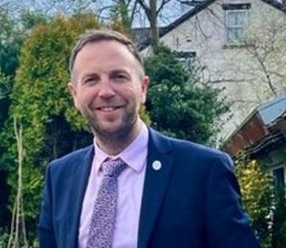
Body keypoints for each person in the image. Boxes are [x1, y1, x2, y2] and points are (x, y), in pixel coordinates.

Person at [38, 28, 259, 248]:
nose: (105, 91)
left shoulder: (204, 170)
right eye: (91, 79)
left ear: (143, 88)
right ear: (75, 94)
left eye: (119, 77)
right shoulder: (59, 176)